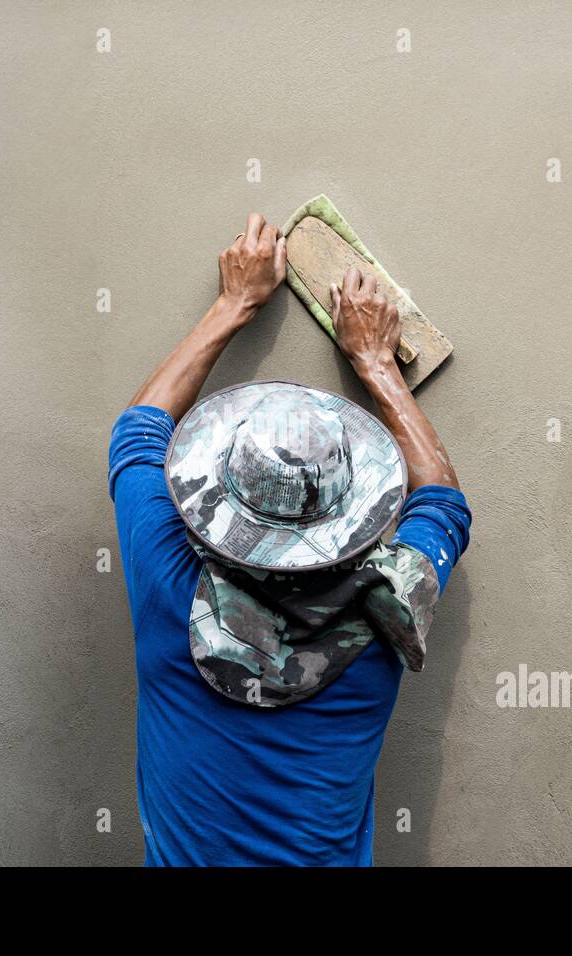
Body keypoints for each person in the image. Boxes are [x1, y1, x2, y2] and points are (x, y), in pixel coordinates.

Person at [107, 212, 472, 865]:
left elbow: (138, 433)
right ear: (350, 510)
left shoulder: (164, 575)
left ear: (219, 500)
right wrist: (374, 364)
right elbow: (441, 500)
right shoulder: (388, 613)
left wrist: (234, 304)